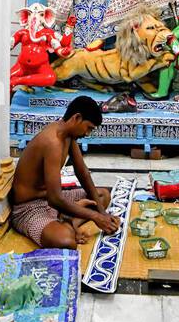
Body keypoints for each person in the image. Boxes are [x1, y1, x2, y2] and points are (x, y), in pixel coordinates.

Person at [9, 95, 120, 249]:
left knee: (103, 196)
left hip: (52, 199)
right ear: (77, 118)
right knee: (66, 241)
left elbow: (83, 173)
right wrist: (94, 216)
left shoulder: (68, 135)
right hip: (29, 208)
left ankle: (69, 221)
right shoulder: (52, 141)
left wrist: (103, 214)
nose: (88, 134)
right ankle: (67, 223)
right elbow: (55, 199)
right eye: (89, 128)